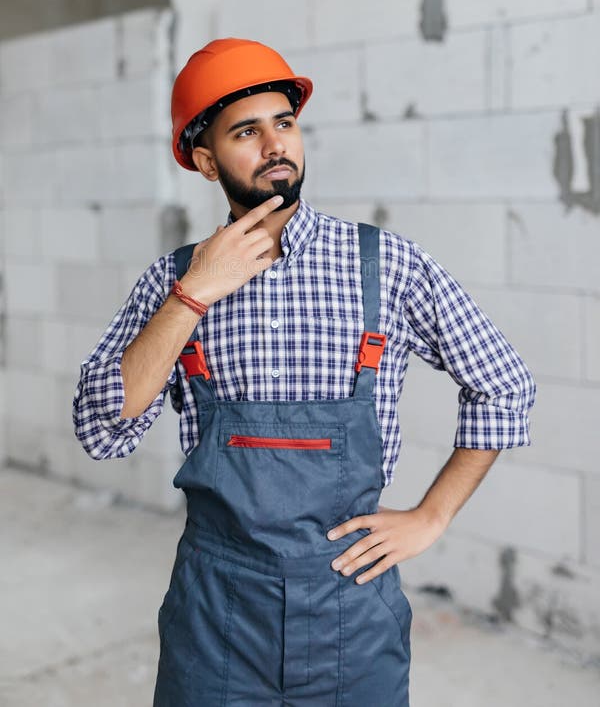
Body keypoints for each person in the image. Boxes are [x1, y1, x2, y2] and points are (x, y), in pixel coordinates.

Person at [73, 37, 536, 706]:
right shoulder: (172, 282)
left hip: (351, 608)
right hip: (217, 616)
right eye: (246, 132)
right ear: (205, 160)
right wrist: (195, 294)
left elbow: (503, 384)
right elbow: (100, 429)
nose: (274, 146)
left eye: (284, 124)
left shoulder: (386, 266)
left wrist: (432, 516)